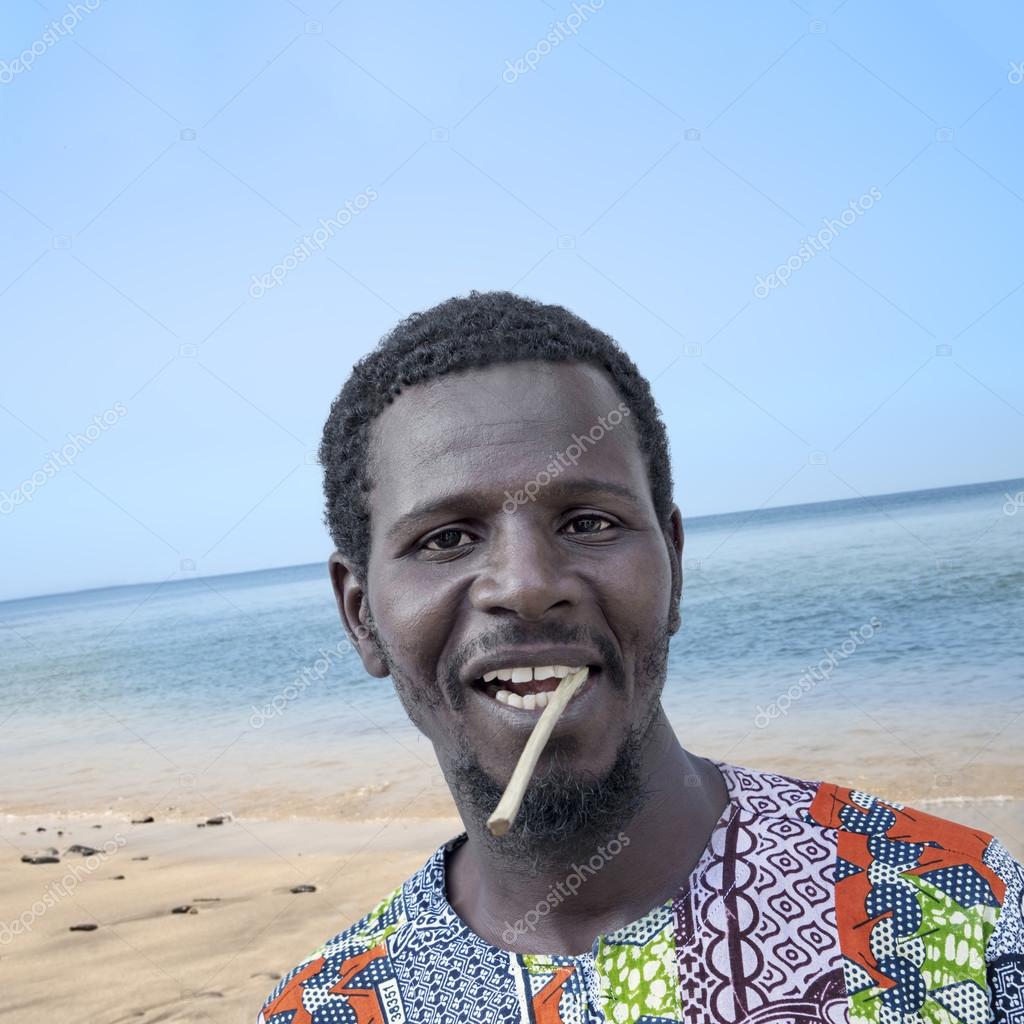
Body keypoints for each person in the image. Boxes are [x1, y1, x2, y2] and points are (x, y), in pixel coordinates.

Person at [259, 291, 1023, 1023]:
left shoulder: (956, 906)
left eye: (589, 521)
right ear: (362, 617)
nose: (527, 585)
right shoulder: (325, 1010)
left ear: (674, 564)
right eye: (447, 539)